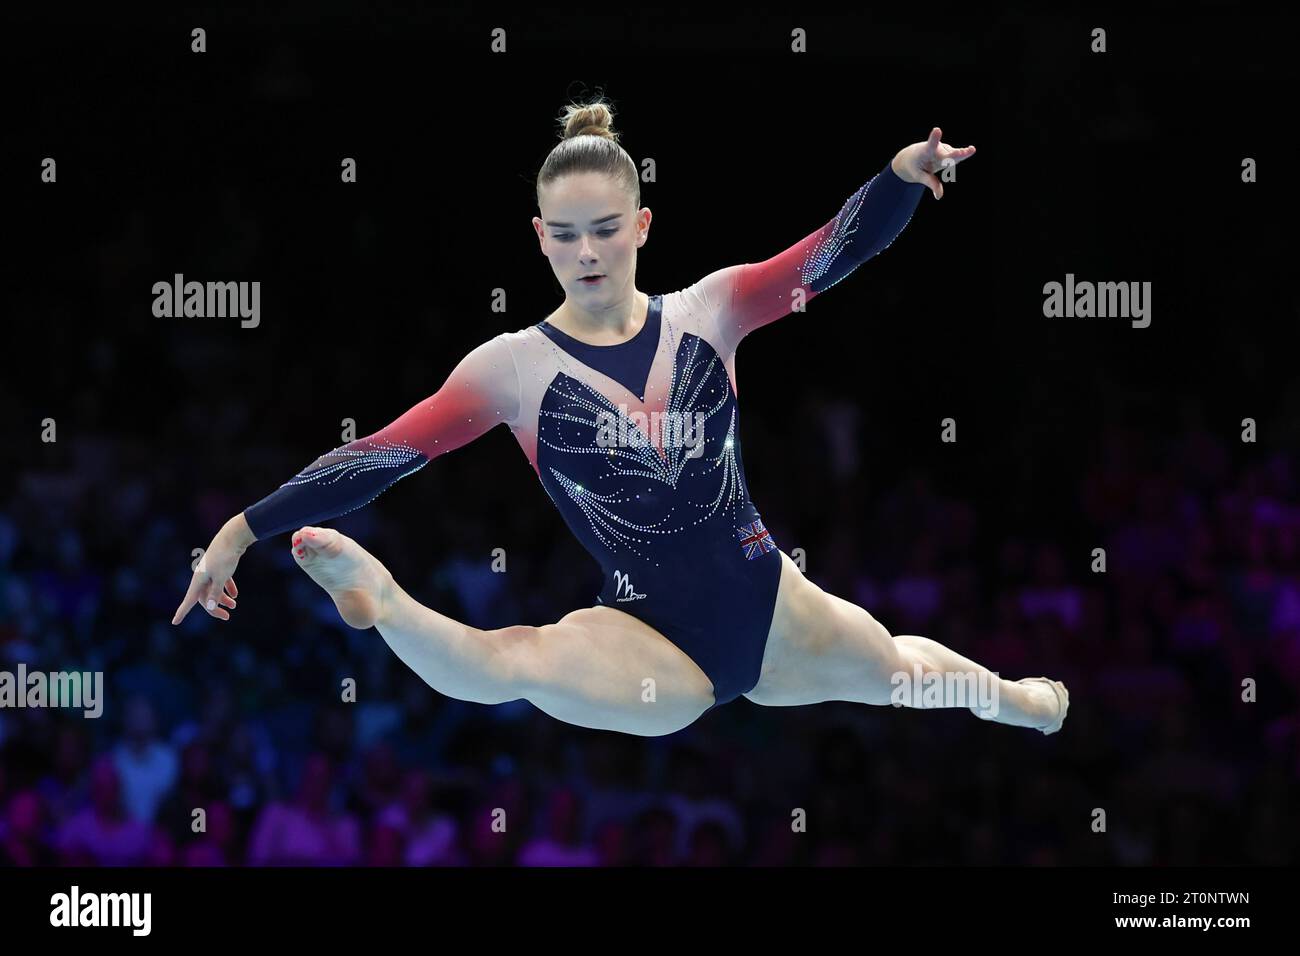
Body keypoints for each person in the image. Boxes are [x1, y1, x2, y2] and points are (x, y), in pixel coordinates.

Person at [173, 98, 1067, 739]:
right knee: (510, 661)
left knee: (895, 676)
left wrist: (901, 178)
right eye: (564, 235)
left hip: (772, 607)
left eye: (605, 229)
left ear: (642, 225)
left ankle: (1016, 700)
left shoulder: (710, 312)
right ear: (537, 238)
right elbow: (379, 456)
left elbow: (826, 257)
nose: (586, 252)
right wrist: (241, 528)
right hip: (646, 638)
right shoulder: (512, 369)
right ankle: (384, 603)